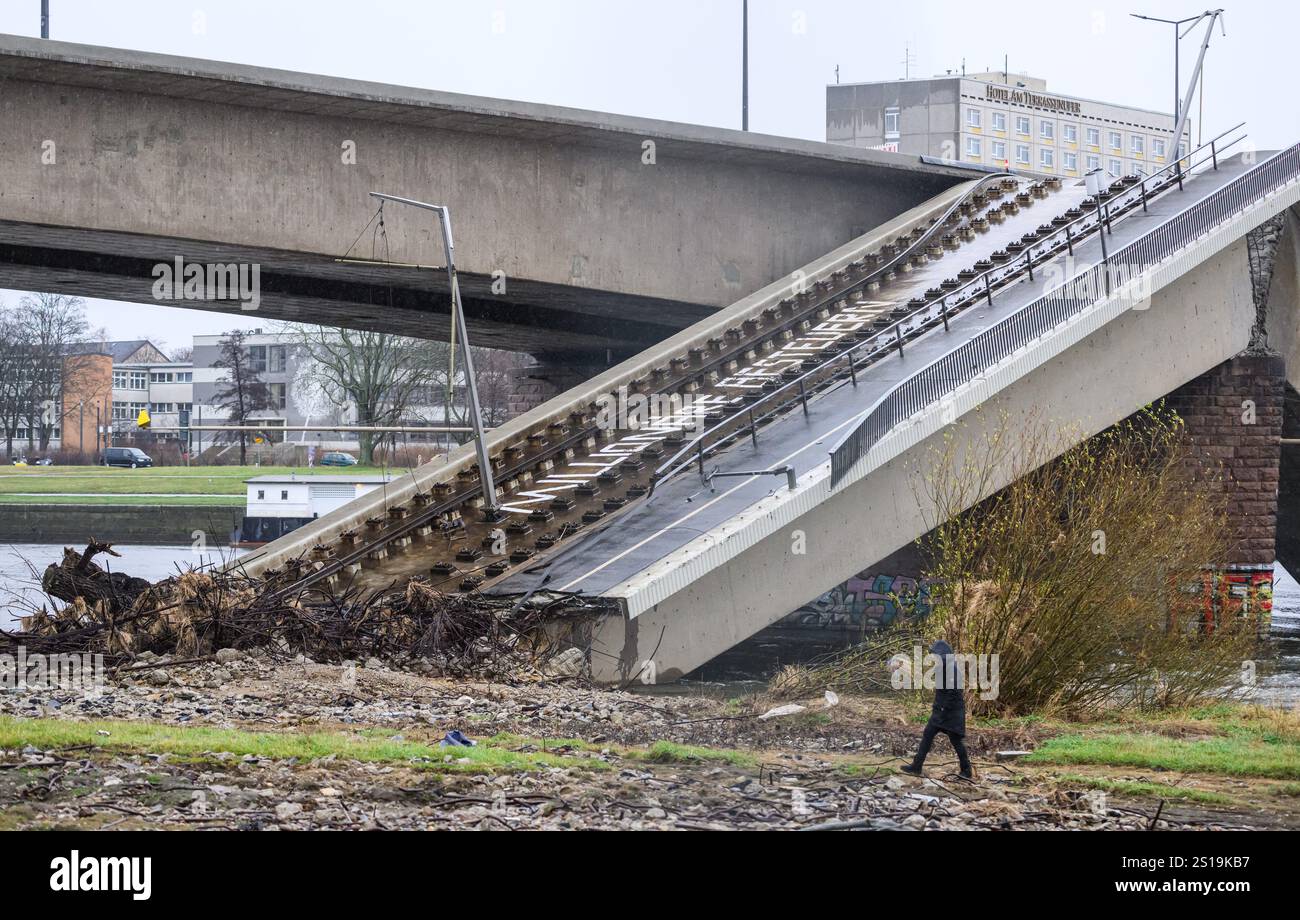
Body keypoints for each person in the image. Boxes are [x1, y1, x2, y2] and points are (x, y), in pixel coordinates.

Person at [901, 639, 973, 780]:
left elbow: (953, 692)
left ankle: (967, 770)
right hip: (942, 712)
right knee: (928, 734)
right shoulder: (944, 666)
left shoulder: (950, 668)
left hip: (951, 713)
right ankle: (916, 766)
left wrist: (942, 707)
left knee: (956, 741)